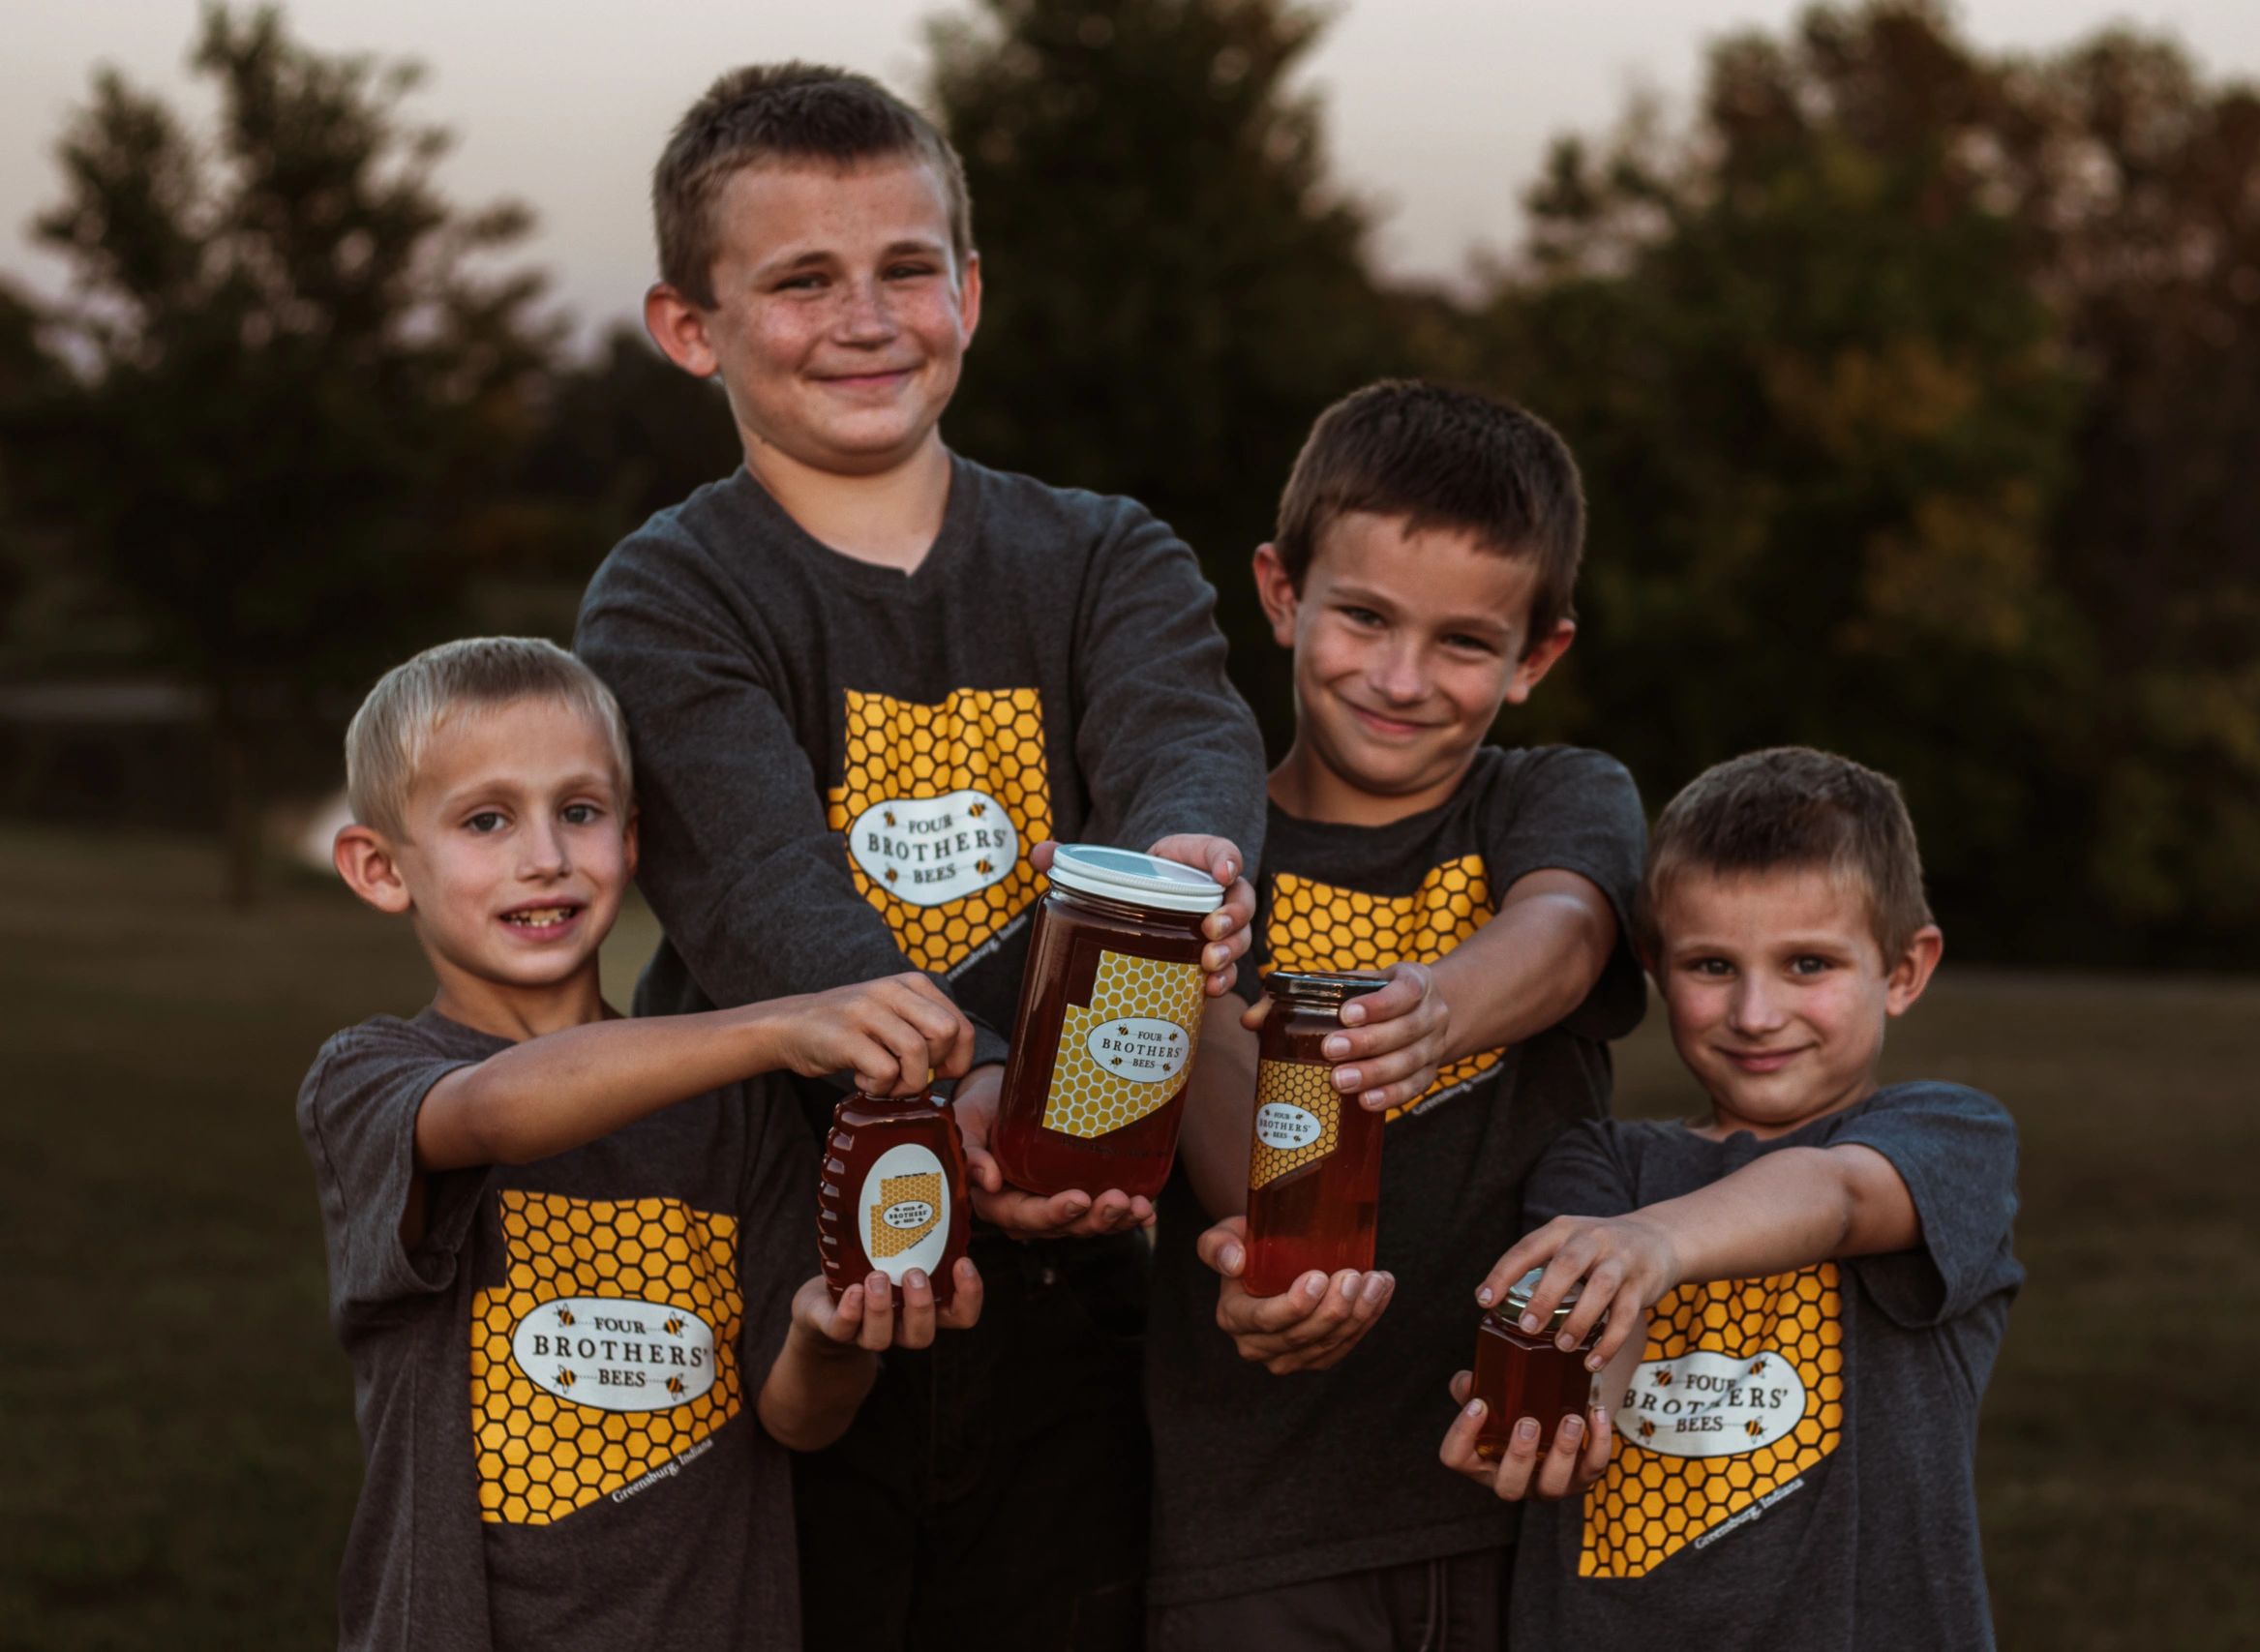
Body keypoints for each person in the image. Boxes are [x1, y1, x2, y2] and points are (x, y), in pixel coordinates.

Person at [570, 64, 1267, 1650]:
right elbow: (762, 893)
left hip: (1076, 1285)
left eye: (905, 268)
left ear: (970, 288)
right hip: (788, 1274)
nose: (867, 318)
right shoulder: (670, 595)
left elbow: (1182, 743)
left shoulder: (1105, 554)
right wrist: (977, 1109)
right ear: (694, 327)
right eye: (801, 280)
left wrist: (1187, 870)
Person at [298, 637, 983, 1652]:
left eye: (579, 812)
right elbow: (499, 1111)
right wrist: (778, 1021)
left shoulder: (736, 1108)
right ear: (379, 867)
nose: (546, 856)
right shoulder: (368, 1079)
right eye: (487, 820)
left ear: (632, 837)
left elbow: (798, 1418)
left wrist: (828, 1338)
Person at [1146, 380, 1649, 1649]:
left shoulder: (1549, 794)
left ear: (1537, 657)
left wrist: (1441, 1005)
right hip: (1256, 1526)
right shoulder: (1206, 847)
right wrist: (1277, 1274)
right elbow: (1236, 1180)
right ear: (1280, 594)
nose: (1401, 677)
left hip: (1527, 1503)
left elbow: (1571, 931)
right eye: (1362, 616)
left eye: (1465, 642)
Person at [1445, 746, 2023, 1652]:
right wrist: (1547, 1415)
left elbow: (1832, 1193)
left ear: (1905, 970)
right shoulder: (1597, 1166)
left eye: (1806, 964)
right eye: (1712, 965)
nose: (1755, 1013)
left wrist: (1654, 1247)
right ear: (1652, 964)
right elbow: (1595, 1348)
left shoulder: (1948, 1135)